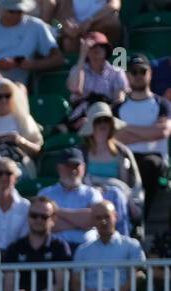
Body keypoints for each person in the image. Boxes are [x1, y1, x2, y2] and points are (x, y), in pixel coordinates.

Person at [116, 56, 171, 221]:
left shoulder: (162, 104)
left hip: (154, 160)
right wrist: (149, 132)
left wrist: (127, 129)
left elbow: (163, 133)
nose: (138, 75)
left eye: (143, 71)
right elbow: (116, 138)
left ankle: (140, 220)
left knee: (149, 164)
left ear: (150, 74)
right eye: (134, 71)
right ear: (128, 75)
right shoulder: (118, 107)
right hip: (125, 158)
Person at [79, 104, 143, 237]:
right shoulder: (82, 152)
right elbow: (79, 182)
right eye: (98, 121)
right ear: (92, 126)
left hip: (119, 199)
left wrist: (132, 201)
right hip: (90, 198)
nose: (103, 125)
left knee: (116, 194)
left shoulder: (122, 152)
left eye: (106, 120)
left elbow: (132, 185)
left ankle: (121, 238)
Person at [72, 198, 148, 291]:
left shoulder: (132, 245)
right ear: (93, 221)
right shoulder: (83, 250)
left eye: (107, 216)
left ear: (115, 217)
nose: (103, 221)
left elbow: (139, 276)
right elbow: (75, 283)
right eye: (98, 218)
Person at [2, 197, 74, 291]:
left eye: (44, 217)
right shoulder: (15, 247)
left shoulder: (60, 246)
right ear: (28, 217)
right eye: (34, 215)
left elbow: (61, 284)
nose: (38, 220)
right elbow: (8, 285)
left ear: (53, 220)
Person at [0, 0, 62, 88]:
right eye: (11, 11)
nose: (15, 15)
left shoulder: (36, 26)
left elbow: (58, 59)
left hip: (20, 86)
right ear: (1, 9)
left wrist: (33, 64)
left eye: (19, 11)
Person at [40, 149, 105, 250]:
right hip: (54, 250)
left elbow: (93, 220)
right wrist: (80, 223)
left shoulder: (92, 194)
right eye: (68, 166)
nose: (73, 170)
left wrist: (56, 211)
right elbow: (43, 224)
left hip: (86, 249)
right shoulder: (46, 193)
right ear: (59, 168)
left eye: (76, 166)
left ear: (83, 168)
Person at [65, 32, 127, 130]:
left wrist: (99, 115)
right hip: (81, 114)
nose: (96, 49)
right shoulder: (77, 69)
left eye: (101, 46)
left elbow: (119, 100)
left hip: (108, 113)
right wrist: (82, 57)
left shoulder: (116, 72)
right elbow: (75, 89)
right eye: (92, 47)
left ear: (106, 50)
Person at [0, 79, 42, 169]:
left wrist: (19, 140)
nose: (3, 99)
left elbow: (37, 149)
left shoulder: (24, 119)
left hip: (19, 165)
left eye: (7, 95)